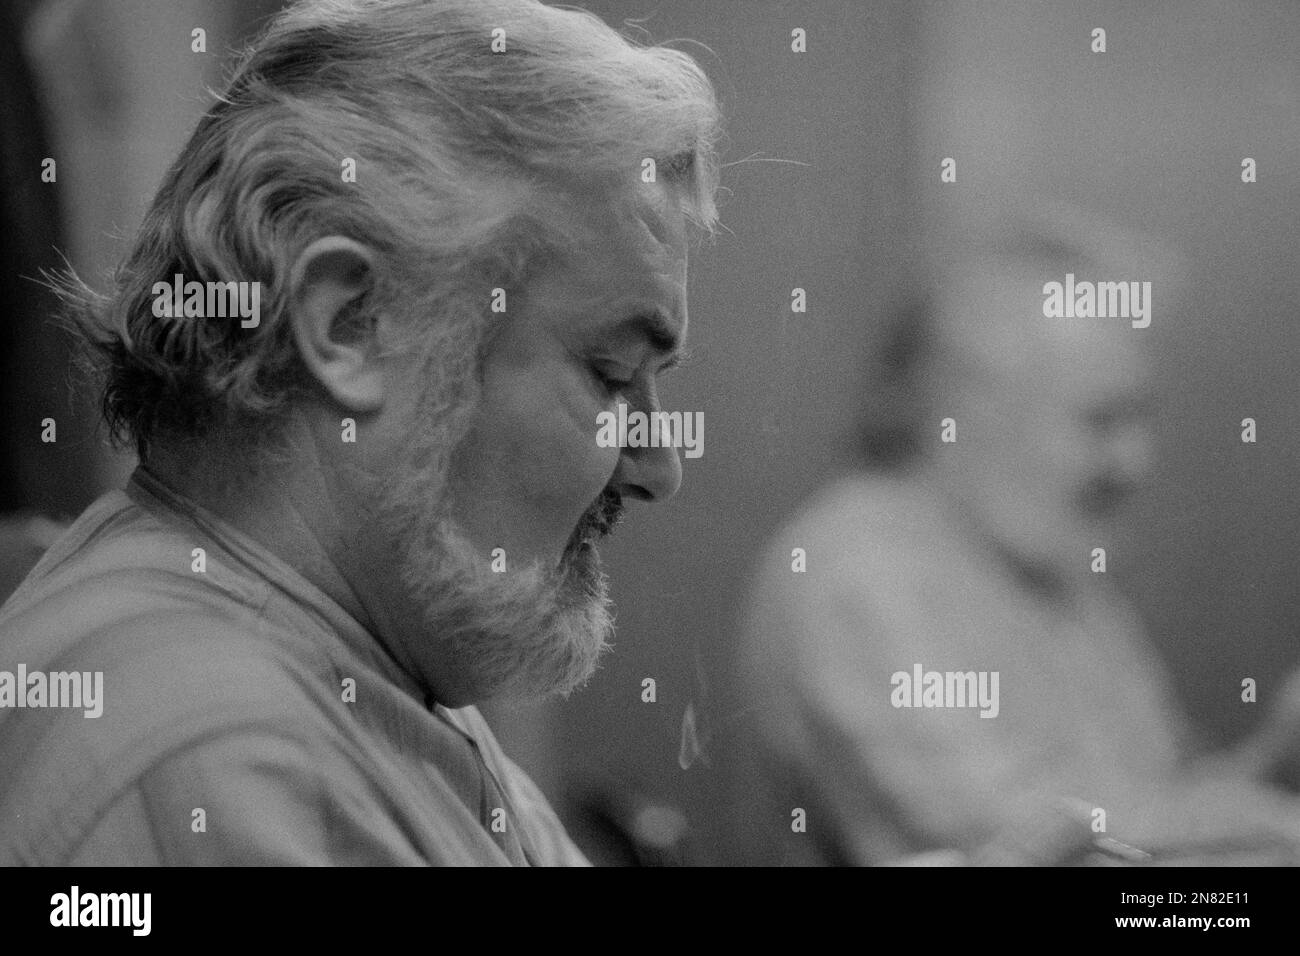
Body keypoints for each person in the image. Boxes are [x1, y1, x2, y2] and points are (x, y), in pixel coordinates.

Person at [0, 0, 722, 866]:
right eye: (608, 375)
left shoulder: (353, 657)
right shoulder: (222, 756)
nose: (660, 466)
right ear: (352, 323)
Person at [736, 206, 1300, 865]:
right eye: (1102, 420)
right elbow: (1054, 850)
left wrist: (1274, 762)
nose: (1137, 460)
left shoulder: (1048, 571)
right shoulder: (855, 571)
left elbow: (1155, 810)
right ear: (968, 408)